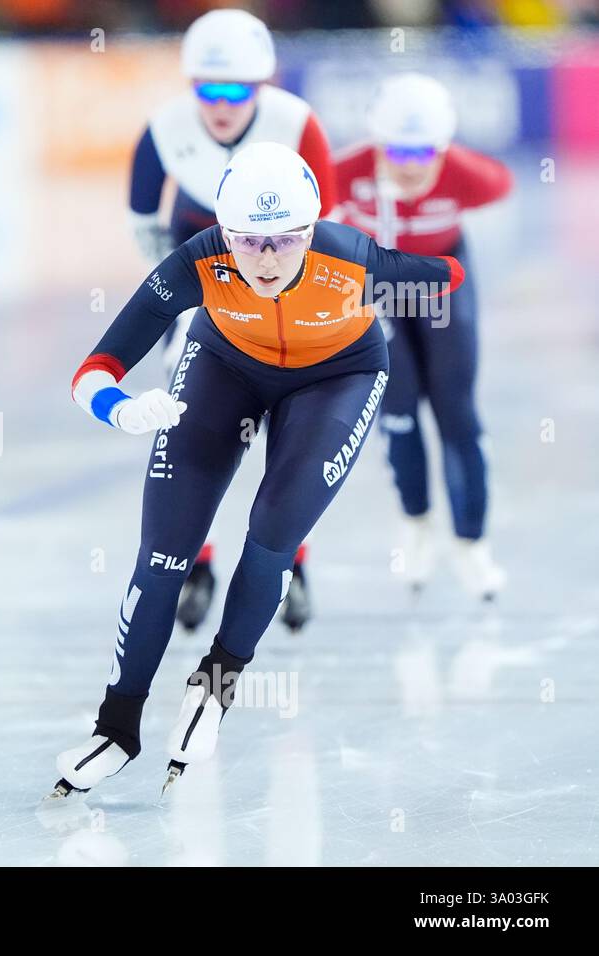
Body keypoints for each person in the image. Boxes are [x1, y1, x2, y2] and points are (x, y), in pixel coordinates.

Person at [49, 142, 463, 800]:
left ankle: (215, 686)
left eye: (285, 241)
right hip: (224, 369)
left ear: (310, 230)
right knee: (163, 554)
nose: (267, 259)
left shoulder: (350, 257)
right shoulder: (196, 261)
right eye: (248, 242)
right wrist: (119, 409)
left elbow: (443, 274)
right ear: (222, 232)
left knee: (272, 532)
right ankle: (117, 726)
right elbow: (92, 372)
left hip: (338, 379)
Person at [128, 7, 338, 634]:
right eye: (207, 90)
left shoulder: (297, 123)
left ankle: (290, 559)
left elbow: (327, 229)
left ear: (262, 86)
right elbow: (143, 224)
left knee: (290, 415)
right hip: (201, 266)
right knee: (192, 416)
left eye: (236, 90)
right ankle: (199, 561)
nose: (220, 104)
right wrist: (178, 293)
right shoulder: (163, 129)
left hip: (286, 276)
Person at [335, 73, 512, 599]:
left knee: (457, 412)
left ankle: (472, 545)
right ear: (376, 142)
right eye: (397, 151)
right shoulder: (344, 171)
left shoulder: (469, 175)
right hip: (376, 287)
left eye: (424, 153)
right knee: (398, 412)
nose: (411, 166)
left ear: (445, 147)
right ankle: (415, 524)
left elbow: (502, 183)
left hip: (443, 284)